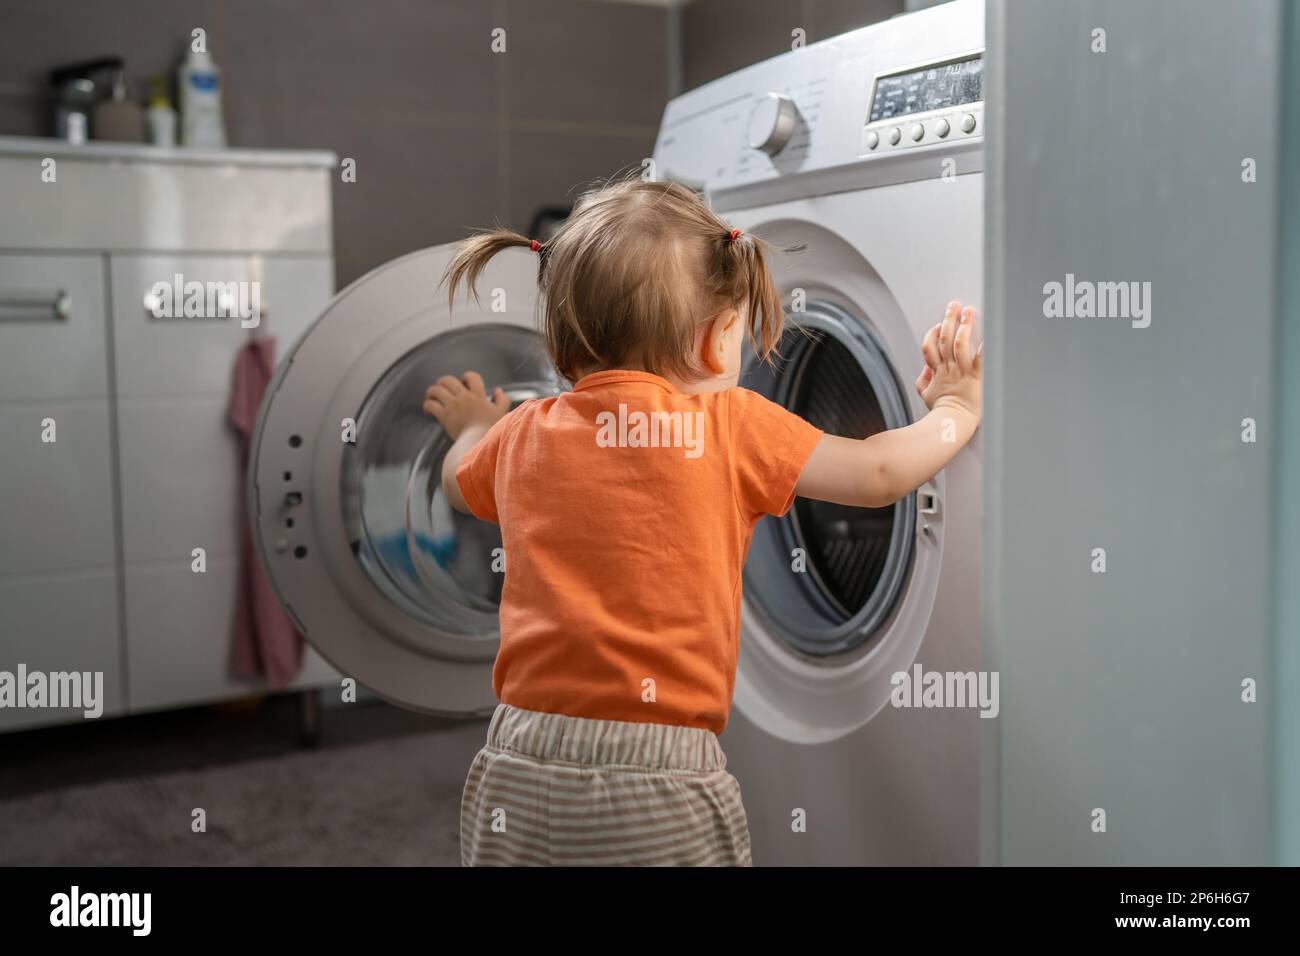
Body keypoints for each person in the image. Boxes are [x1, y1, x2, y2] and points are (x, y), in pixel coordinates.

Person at [423, 175, 982, 866]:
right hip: (655, 777)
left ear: (565, 343)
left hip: (516, 757)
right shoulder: (728, 425)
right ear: (719, 342)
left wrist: (476, 424)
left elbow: (456, 479)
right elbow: (876, 475)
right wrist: (954, 412)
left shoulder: (523, 433)